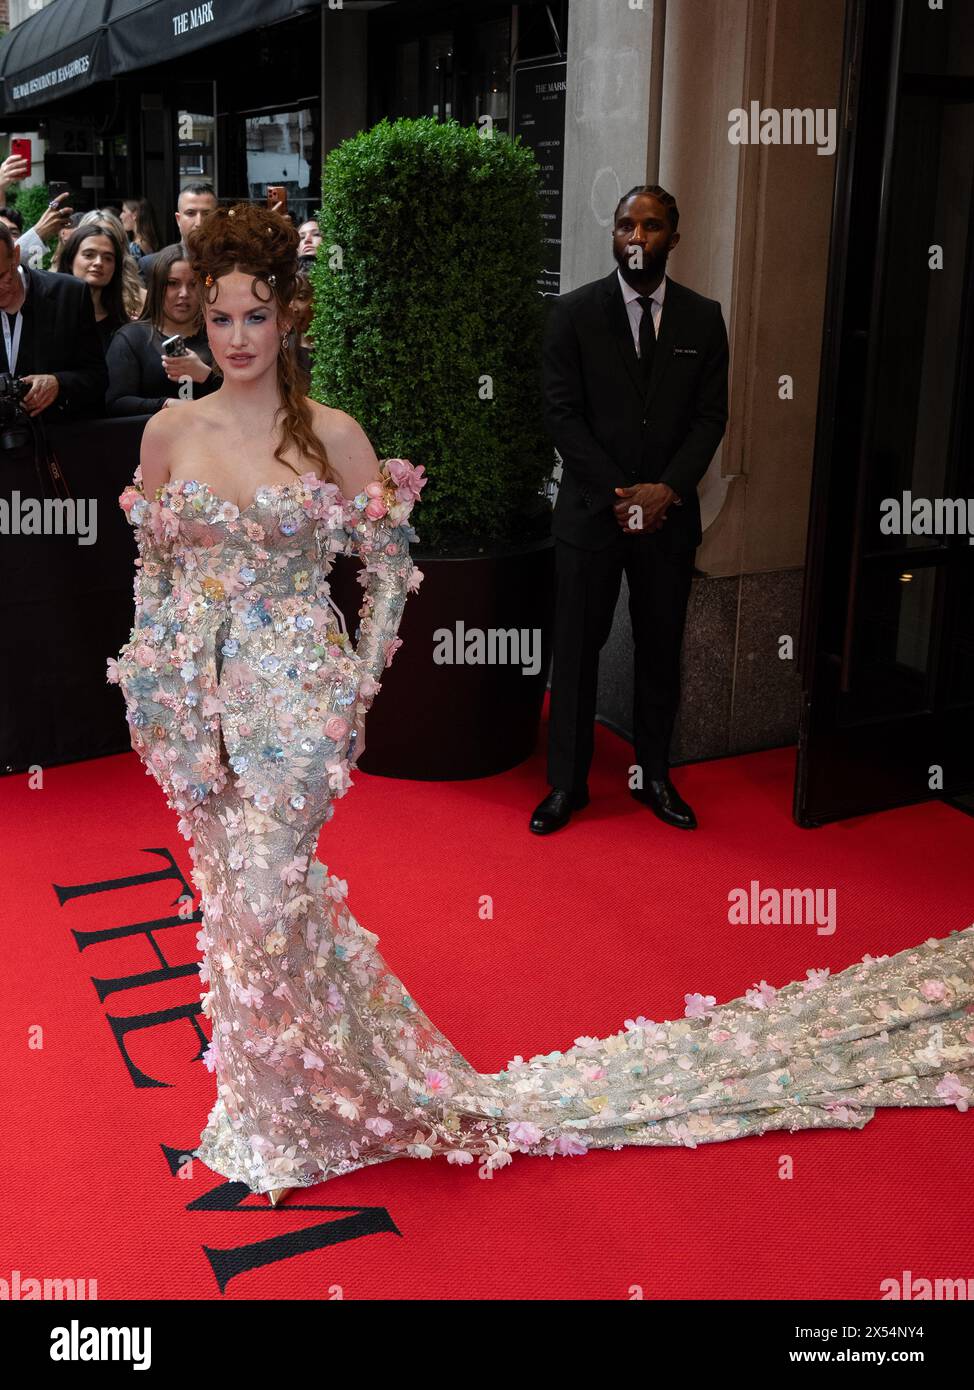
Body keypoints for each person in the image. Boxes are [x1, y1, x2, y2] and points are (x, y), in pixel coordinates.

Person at [106, 202, 974, 1206]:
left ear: (288, 317)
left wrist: (354, 687)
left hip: (298, 709)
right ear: (198, 323)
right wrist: (161, 705)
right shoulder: (170, 432)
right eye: (220, 319)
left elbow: (390, 568)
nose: (240, 338)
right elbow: (157, 582)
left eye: (257, 315)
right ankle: (280, 1102)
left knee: (260, 899)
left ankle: (273, 1123)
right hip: (202, 714)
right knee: (239, 913)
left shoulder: (333, 436)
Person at [531, 184, 728, 836]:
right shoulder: (573, 314)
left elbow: (709, 418)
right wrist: (622, 494)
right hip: (593, 516)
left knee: (659, 648)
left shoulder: (704, 318)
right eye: (625, 225)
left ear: (675, 236)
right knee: (577, 650)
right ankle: (567, 785)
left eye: (651, 226)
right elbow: (562, 415)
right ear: (613, 235)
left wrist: (664, 491)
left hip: (668, 519)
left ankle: (655, 776)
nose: (637, 237)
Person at [0, 222, 106, 420]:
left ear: (15, 256)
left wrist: (58, 383)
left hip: (56, 438)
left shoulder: (69, 294)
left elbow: (97, 377)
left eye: (1, 276)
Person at [105, 245, 219, 415]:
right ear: (158, 287)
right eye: (173, 283)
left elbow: (245, 400)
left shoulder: (219, 336)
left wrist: (206, 376)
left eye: (193, 284)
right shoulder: (131, 338)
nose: (184, 293)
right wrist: (166, 405)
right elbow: (116, 403)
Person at [58, 223, 128, 351]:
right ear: (70, 261)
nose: (99, 263)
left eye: (108, 258)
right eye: (89, 255)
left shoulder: (124, 328)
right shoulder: (49, 316)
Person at [137, 183, 217, 286]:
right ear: (178, 220)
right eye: (190, 213)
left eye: (206, 214)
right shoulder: (151, 266)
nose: (199, 223)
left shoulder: (229, 266)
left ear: (216, 219)